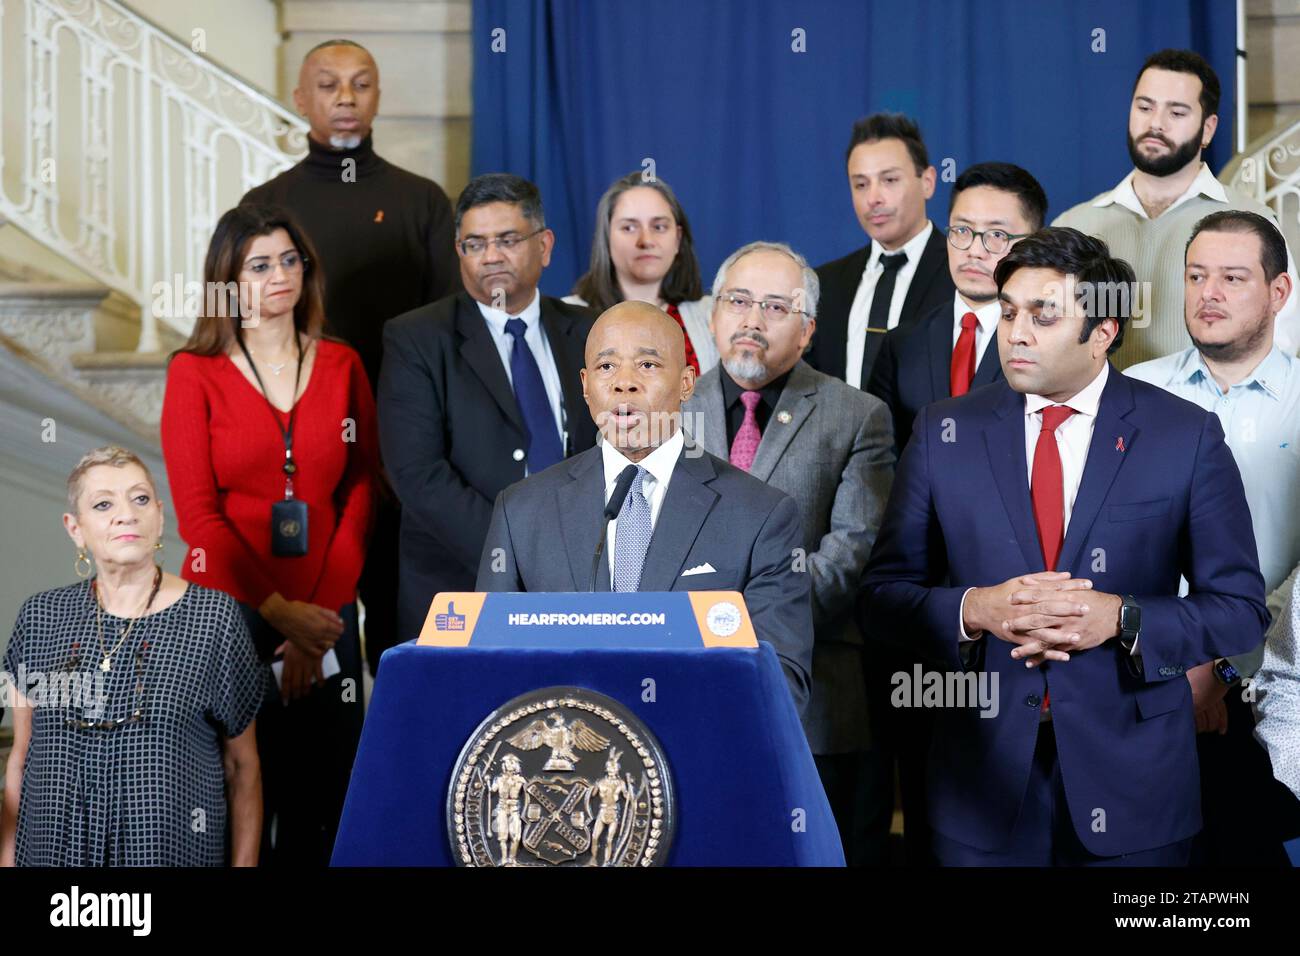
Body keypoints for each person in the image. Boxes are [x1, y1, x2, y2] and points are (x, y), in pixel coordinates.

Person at [861, 227, 1268, 865]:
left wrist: (1123, 618)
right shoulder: (945, 430)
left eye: (1043, 317)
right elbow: (881, 599)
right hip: (980, 787)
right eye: (1009, 311)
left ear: (1103, 332)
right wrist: (975, 609)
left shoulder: (1184, 436)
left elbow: (1241, 610)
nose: (1015, 333)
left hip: (1137, 788)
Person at [161, 204, 378, 866]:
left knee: (327, 793)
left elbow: (363, 486)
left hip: (328, 612)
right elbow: (199, 519)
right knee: (235, 799)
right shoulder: (192, 372)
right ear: (228, 279)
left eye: (291, 260)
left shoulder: (341, 364)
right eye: (260, 264)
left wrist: (321, 620)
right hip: (228, 615)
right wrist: (283, 616)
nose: (281, 274)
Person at [475, 300, 813, 711]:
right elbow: (488, 670)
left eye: (648, 365)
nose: (624, 383)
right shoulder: (521, 510)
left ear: (688, 382)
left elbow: (782, 684)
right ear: (584, 385)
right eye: (606, 367)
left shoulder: (761, 515)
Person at [241, 38, 459, 676]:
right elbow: (242, 332)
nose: (345, 98)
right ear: (300, 98)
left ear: (378, 97)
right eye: (329, 84)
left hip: (401, 460)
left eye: (360, 84)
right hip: (301, 464)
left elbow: (448, 335)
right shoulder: (264, 208)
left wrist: (415, 449)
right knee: (311, 658)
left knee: (406, 645)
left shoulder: (422, 202)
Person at [681, 241, 893, 863]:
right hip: (684, 687)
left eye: (775, 306)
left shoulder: (857, 416)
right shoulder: (669, 411)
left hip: (813, 697)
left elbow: (849, 555)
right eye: (738, 301)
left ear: (806, 330)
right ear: (713, 315)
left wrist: (741, 629)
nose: (751, 320)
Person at [1126, 210, 1300, 865]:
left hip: (1267, 693)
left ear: (1278, 294)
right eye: (1197, 275)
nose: (1209, 293)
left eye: (1232, 277)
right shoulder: (1134, 395)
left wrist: (1225, 668)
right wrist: (1173, 662)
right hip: (1143, 683)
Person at [0, 447, 263, 866]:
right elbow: (20, 759)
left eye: (140, 499)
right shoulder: (40, 617)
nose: (127, 514)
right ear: (75, 528)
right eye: (103, 504)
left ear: (159, 515)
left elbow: (243, 770)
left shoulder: (214, 618)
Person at [379, 174, 597, 641]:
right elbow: (418, 475)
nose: (491, 256)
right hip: (461, 588)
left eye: (507, 239)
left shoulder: (590, 332)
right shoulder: (416, 338)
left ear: (545, 245)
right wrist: (519, 556)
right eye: (474, 244)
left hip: (584, 584)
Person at [1054, 48, 1300, 367]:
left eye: (1177, 113)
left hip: (1211, 415)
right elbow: (1050, 341)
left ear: (1208, 129)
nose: (1156, 124)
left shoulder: (1254, 224)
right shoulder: (1073, 226)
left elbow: (1282, 344)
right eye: (1145, 107)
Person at [868, 162, 1046, 454]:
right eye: (962, 230)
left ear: (1033, 244)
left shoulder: (1050, 344)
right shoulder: (902, 344)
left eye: (997, 235)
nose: (974, 250)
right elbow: (881, 459)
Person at [807, 113, 955, 389]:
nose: (873, 198)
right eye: (861, 185)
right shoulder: (826, 282)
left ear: (928, 182)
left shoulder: (961, 273)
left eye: (889, 180)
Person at [565, 171, 718, 374]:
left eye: (659, 227)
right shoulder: (565, 318)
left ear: (678, 239)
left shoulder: (712, 316)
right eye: (629, 227)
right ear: (606, 238)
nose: (646, 240)